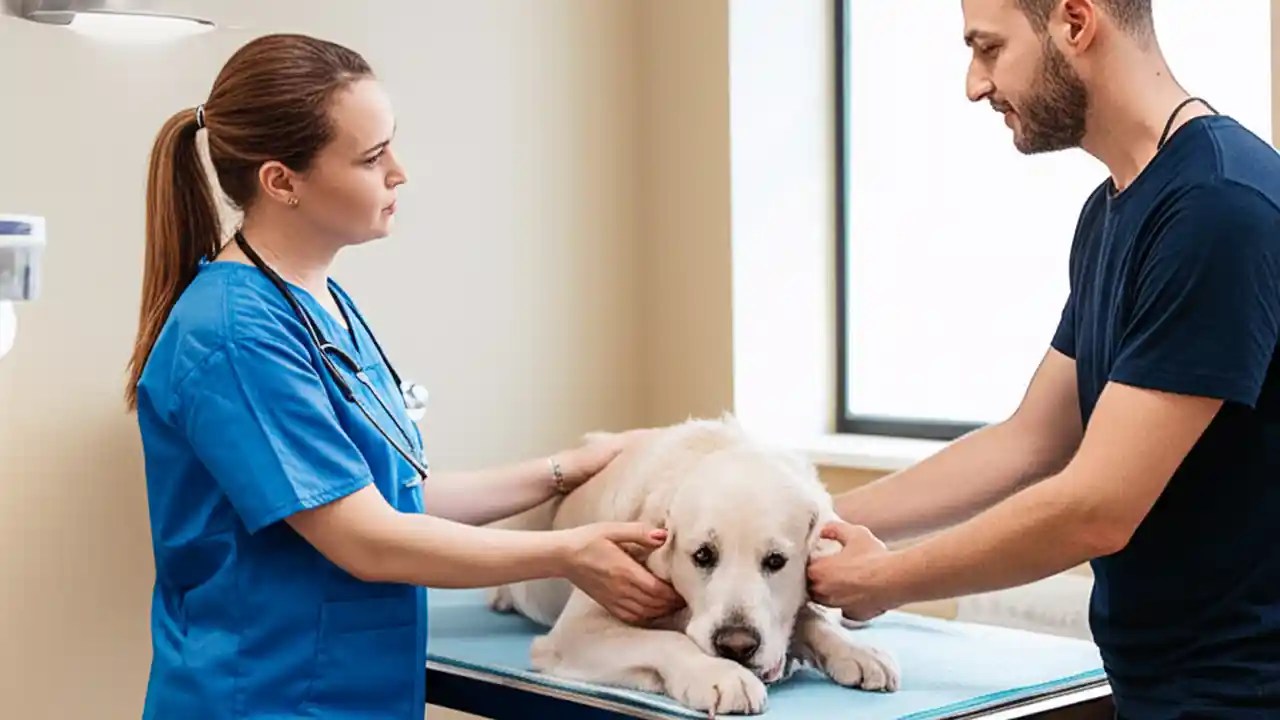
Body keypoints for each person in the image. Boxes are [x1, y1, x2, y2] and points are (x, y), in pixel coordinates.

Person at [124, 33, 680, 719]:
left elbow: (396, 497)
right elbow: (365, 539)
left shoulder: (318, 303)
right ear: (281, 181)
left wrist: (563, 471)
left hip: (347, 695)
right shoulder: (234, 333)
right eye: (371, 157)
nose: (399, 173)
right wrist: (567, 552)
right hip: (266, 697)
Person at [808, 1, 1280, 717]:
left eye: (989, 49)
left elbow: (1096, 507)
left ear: (1076, 22)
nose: (975, 84)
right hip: (1159, 690)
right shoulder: (1114, 210)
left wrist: (885, 579)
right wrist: (802, 524)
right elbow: (1030, 440)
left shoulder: (1218, 209)